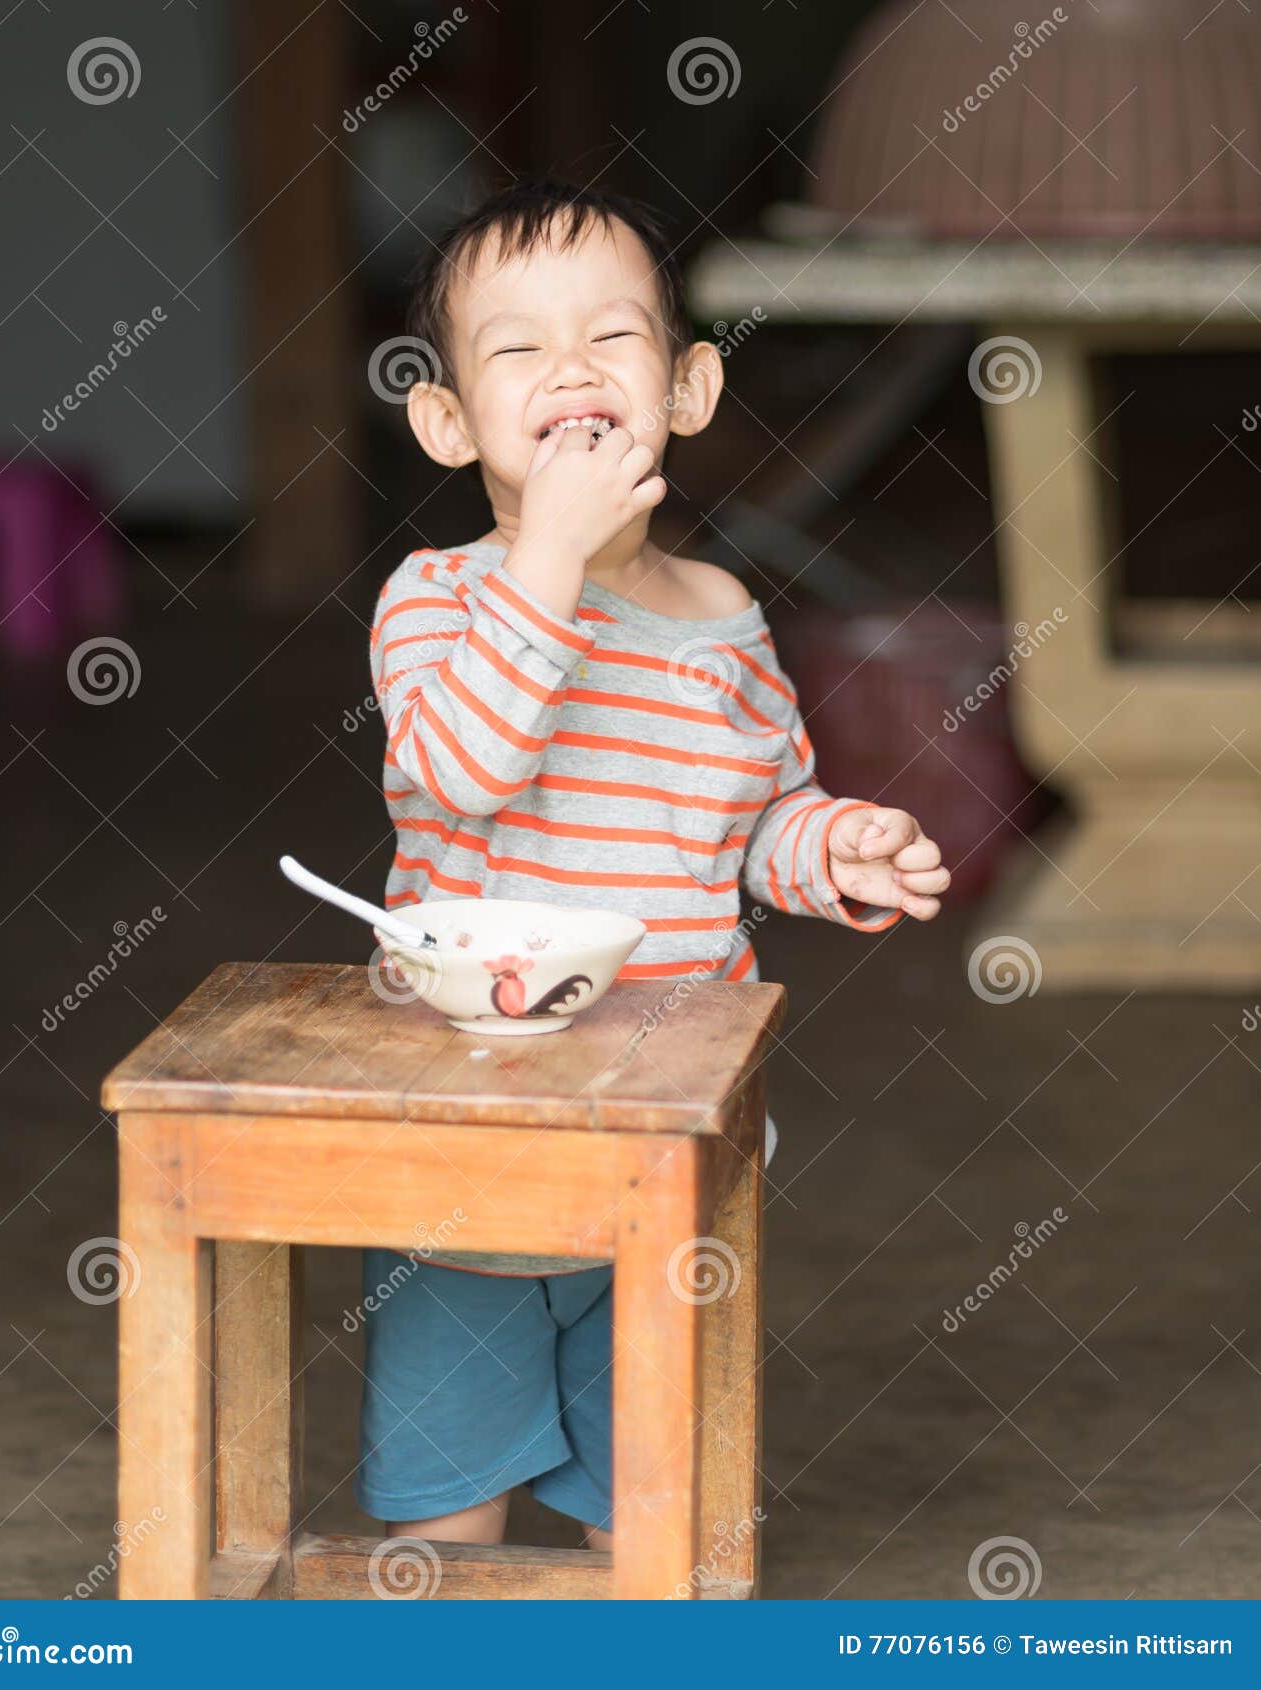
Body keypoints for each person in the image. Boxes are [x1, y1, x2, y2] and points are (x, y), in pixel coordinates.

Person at [357, 178, 950, 1555]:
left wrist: (837, 845)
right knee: (449, 1511)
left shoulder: (722, 616)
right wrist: (549, 559)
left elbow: (748, 824)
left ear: (685, 390)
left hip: (666, 1129)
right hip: (475, 1133)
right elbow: (462, 772)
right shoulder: (436, 601)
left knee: (662, 1509)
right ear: (449, 423)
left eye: (611, 338)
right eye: (518, 349)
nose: (571, 369)